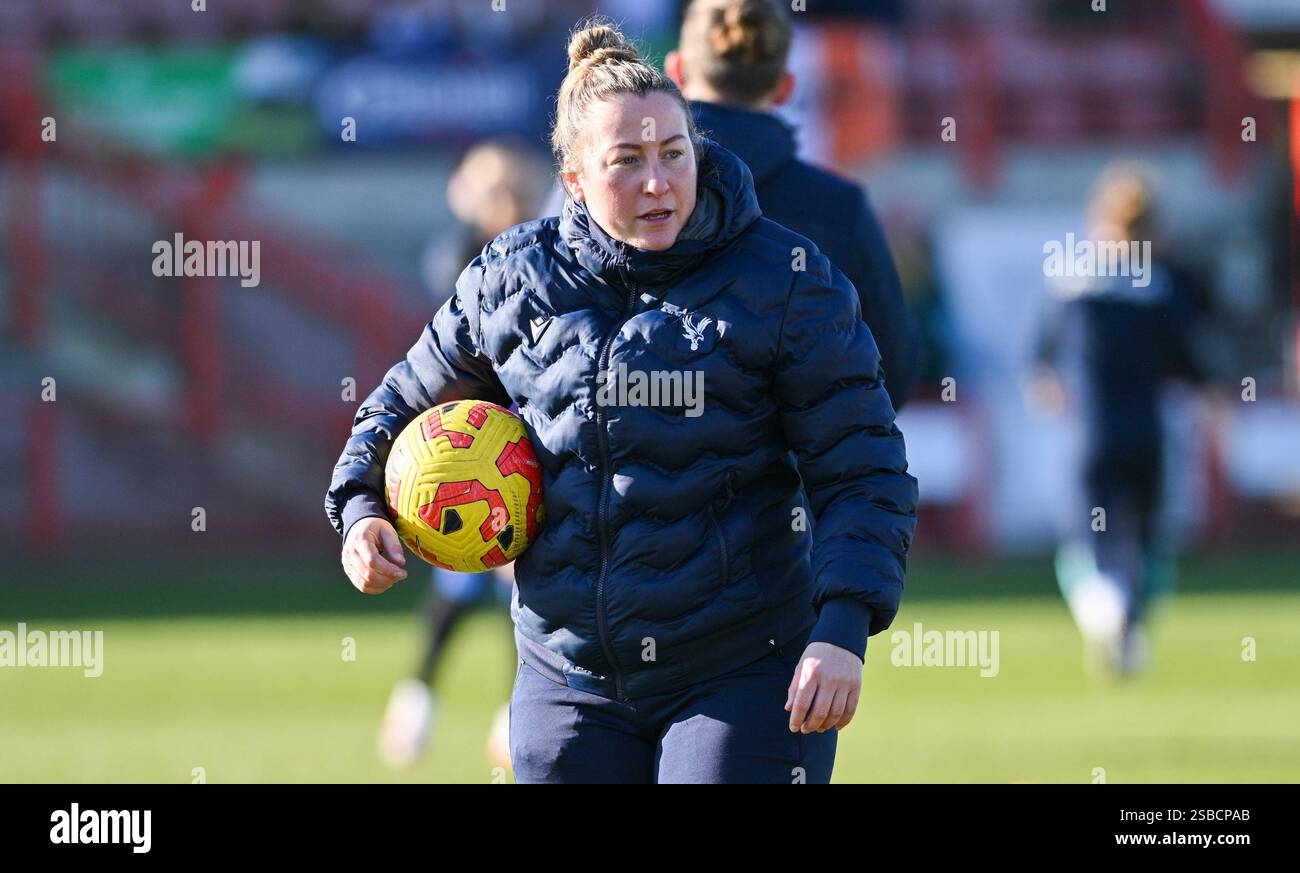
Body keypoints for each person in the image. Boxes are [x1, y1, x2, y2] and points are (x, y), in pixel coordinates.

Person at [326, 17, 917, 783]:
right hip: (567, 679)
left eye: (674, 155)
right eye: (627, 161)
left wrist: (842, 627)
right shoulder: (509, 280)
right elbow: (401, 399)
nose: (657, 182)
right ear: (573, 178)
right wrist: (362, 505)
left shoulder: (788, 281)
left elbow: (863, 464)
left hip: (743, 671)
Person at [380, 139, 550, 771]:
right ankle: (418, 696)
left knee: (523, 583)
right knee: (463, 576)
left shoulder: (548, 252)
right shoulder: (466, 259)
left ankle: (512, 713)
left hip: (528, 441)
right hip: (473, 442)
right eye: (503, 193)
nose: (515, 205)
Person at [665, 0, 918, 409]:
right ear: (785, 86)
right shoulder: (839, 210)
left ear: (675, 72)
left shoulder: (616, 192)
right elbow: (892, 373)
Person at [1030, 162, 1207, 676]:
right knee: (1145, 538)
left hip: (1090, 432)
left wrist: (1047, 384)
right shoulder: (1160, 286)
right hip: (1148, 431)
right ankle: (1131, 620)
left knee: (1085, 537)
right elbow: (1189, 360)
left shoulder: (1071, 280)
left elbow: (1042, 357)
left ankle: (1104, 612)